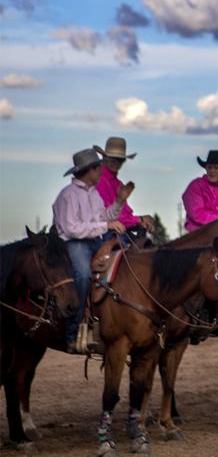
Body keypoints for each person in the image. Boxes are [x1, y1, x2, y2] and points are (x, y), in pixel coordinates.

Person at [52, 148, 133, 353]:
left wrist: (119, 202)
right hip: (74, 243)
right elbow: (72, 229)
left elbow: (103, 216)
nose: (101, 172)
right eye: (99, 169)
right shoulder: (68, 195)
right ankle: (72, 332)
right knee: (83, 274)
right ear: (90, 170)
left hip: (93, 240)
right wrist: (106, 227)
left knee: (123, 263)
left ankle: (110, 324)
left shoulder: (93, 193)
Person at [94, 136, 154, 237]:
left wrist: (140, 221)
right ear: (104, 158)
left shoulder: (119, 184)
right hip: (103, 234)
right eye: (113, 159)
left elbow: (125, 215)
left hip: (120, 233)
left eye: (120, 160)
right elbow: (109, 217)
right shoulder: (98, 181)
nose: (116, 163)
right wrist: (140, 219)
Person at [181, 150, 218, 233]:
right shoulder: (195, 186)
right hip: (198, 234)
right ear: (206, 168)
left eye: (216, 168)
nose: (212, 171)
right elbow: (197, 214)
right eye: (209, 167)